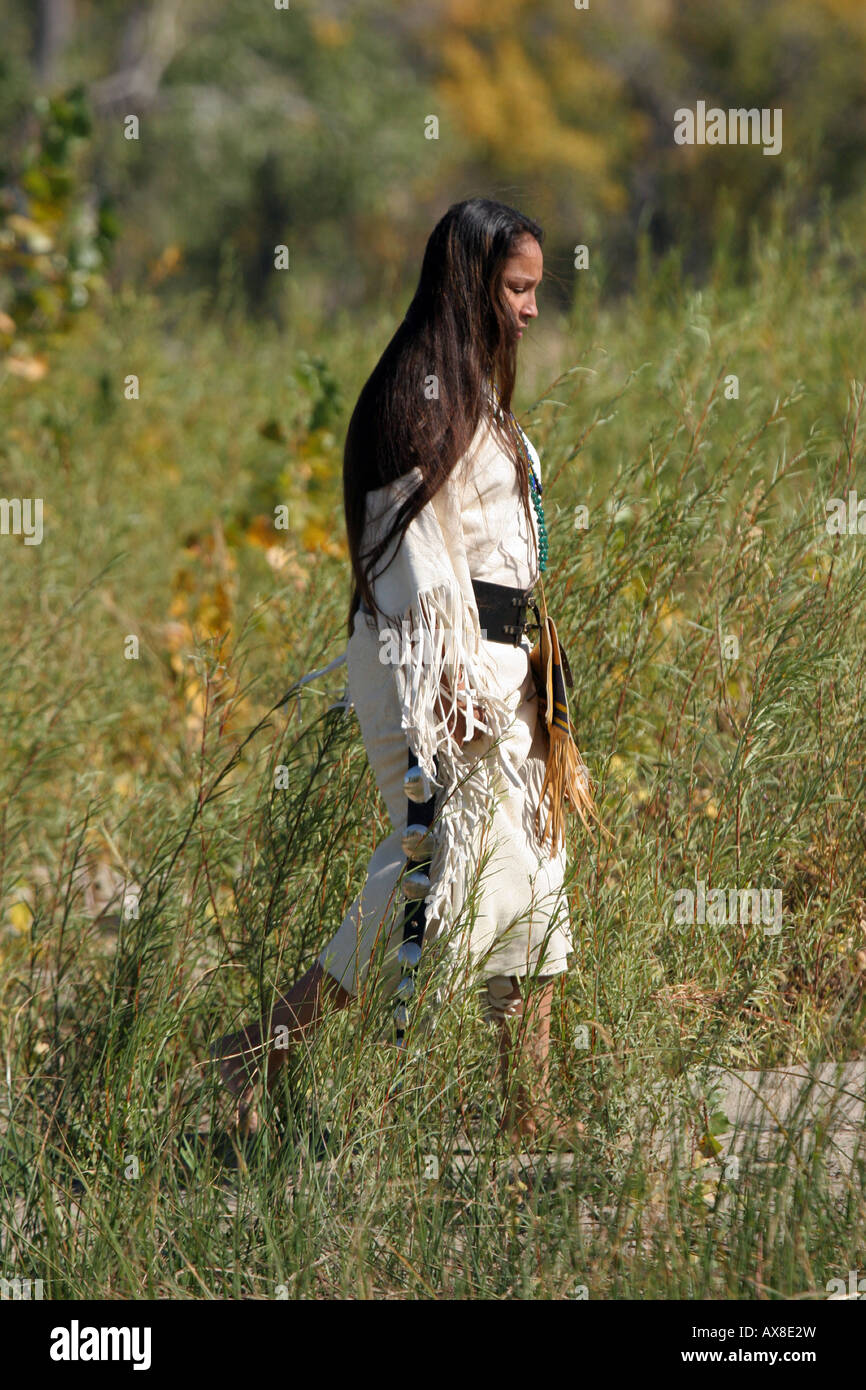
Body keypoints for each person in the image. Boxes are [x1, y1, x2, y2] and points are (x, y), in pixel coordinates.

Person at [212, 197, 582, 1149]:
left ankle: (527, 1120)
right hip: (429, 669)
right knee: (442, 869)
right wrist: (449, 677)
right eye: (517, 288)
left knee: (531, 876)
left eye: (536, 289)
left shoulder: (477, 404)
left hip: (497, 671)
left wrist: (526, 682)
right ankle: (255, 1052)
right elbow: (405, 554)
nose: (532, 309)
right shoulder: (409, 395)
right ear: (471, 283)